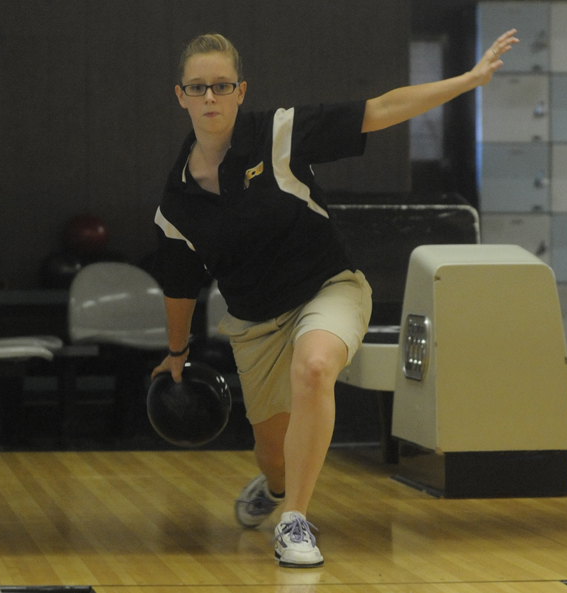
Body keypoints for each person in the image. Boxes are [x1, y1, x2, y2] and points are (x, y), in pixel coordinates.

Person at [151, 30, 518, 568]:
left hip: (329, 288)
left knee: (316, 366)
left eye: (222, 86)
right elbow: (180, 285)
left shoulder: (279, 133)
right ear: (180, 96)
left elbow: (380, 109)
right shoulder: (177, 202)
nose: (211, 97)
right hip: (255, 323)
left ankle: (294, 520)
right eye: (198, 87)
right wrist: (177, 353)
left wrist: (469, 79)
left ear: (241, 91)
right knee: (273, 455)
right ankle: (277, 488)